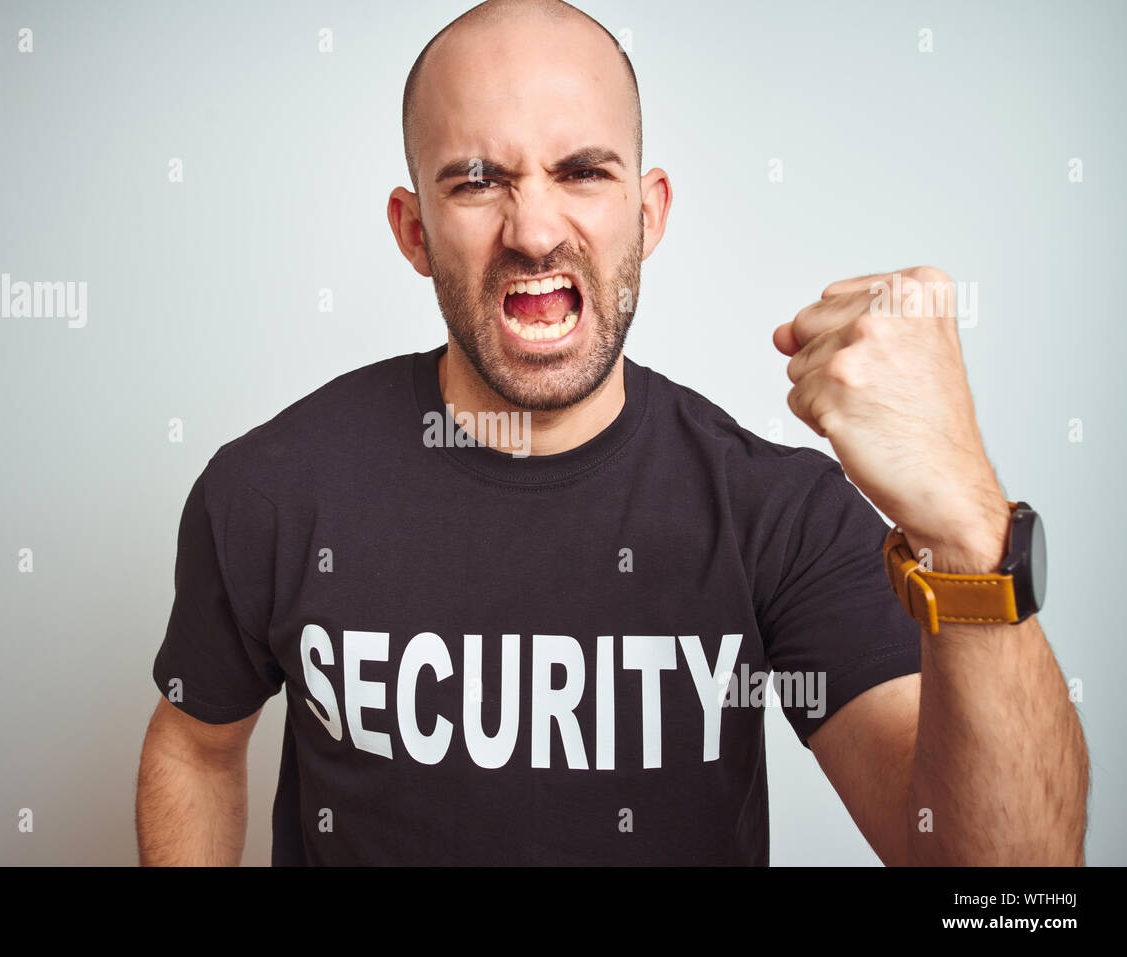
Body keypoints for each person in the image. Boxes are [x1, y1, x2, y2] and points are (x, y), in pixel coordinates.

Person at [135, 0, 1088, 866]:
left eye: (583, 171)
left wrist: (968, 529)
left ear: (648, 210)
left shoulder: (777, 514)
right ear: (413, 230)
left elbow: (1008, 892)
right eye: (476, 182)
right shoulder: (271, 489)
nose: (535, 229)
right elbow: (195, 744)